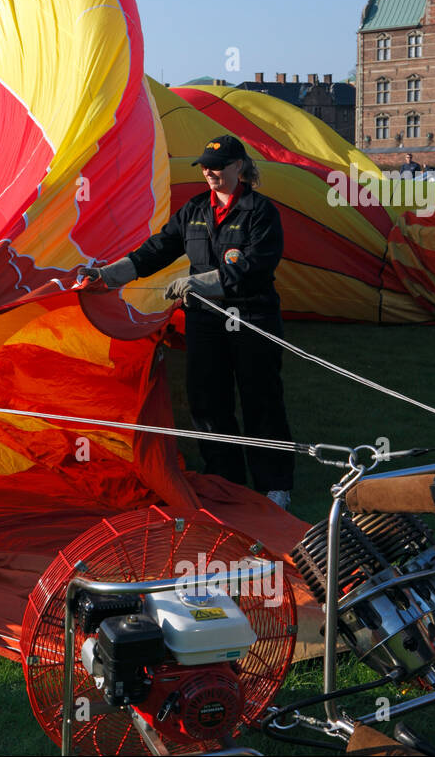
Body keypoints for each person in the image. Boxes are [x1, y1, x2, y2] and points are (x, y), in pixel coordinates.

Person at [79, 135, 294, 511]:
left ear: (238, 167)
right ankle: (224, 480)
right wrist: (107, 276)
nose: (209, 172)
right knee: (208, 401)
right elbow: (155, 251)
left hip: (251, 316)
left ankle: (275, 484)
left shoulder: (261, 212)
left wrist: (200, 282)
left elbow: (256, 267)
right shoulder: (194, 209)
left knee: (261, 399)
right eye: (205, 166)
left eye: (218, 165)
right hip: (205, 321)